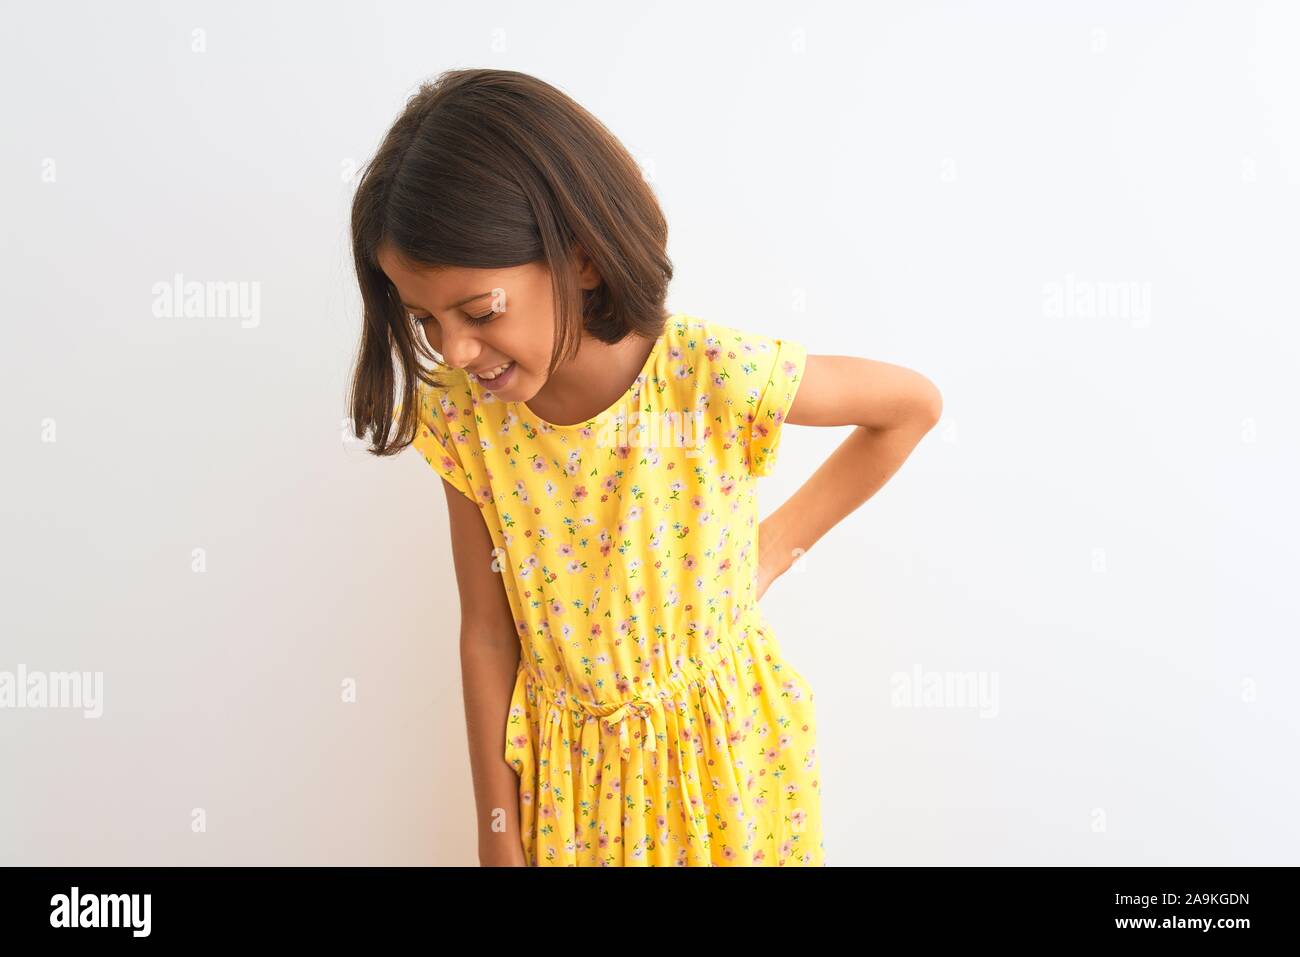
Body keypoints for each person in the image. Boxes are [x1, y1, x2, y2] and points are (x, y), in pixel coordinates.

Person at [349, 68, 942, 866]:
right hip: (575, 788)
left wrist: (770, 551)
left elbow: (909, 407)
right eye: (424, 319)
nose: (454, 349)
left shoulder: (706, 374)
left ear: (584, 259)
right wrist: (498, 834)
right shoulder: (466, 418)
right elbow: (488, 634)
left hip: (728, 769)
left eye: (480, 311)